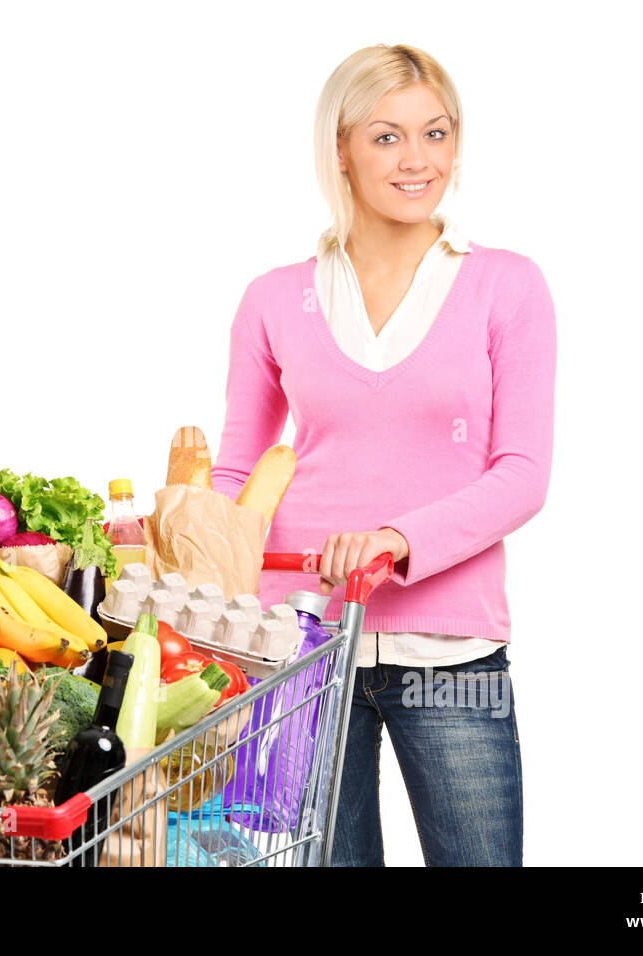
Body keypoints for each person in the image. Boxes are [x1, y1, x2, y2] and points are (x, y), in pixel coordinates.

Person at [210, 43, 556, 866]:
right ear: (340, 147)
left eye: (436, 134)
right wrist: (190, 543)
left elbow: (523, 473)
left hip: (450, 651)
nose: (419, 160)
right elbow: (238, 472)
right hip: (303, 643)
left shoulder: (506, 286)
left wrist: (396, 540)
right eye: (388, 136)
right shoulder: (272, 298)